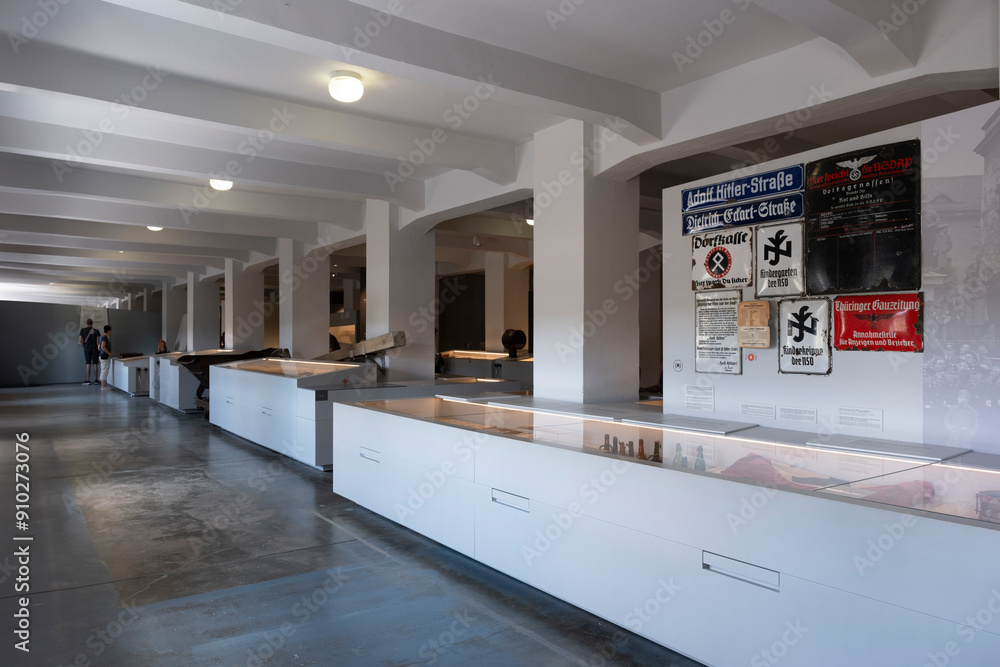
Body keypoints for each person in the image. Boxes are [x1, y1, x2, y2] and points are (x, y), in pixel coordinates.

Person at [78, 318, 100, 385]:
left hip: (87, 348)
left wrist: (83, 346)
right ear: (92, 323)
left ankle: (88, 380)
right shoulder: (96, 331)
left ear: (86, 323)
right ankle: (96, 380)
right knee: (95, 364)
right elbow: (98, 342)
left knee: (88, 363)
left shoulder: (82, 330)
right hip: (95, 349)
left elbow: (80, 340)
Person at [98, 325, 113, 391]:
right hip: (105, 356)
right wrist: (109, 353)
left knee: (103, 370)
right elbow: (102, 347)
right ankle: (103, 386)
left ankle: (103, 385)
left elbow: (98, 347)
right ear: (109, 330)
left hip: (102, 356)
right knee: (104, 371)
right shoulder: (104, 338)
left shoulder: (101, 337)